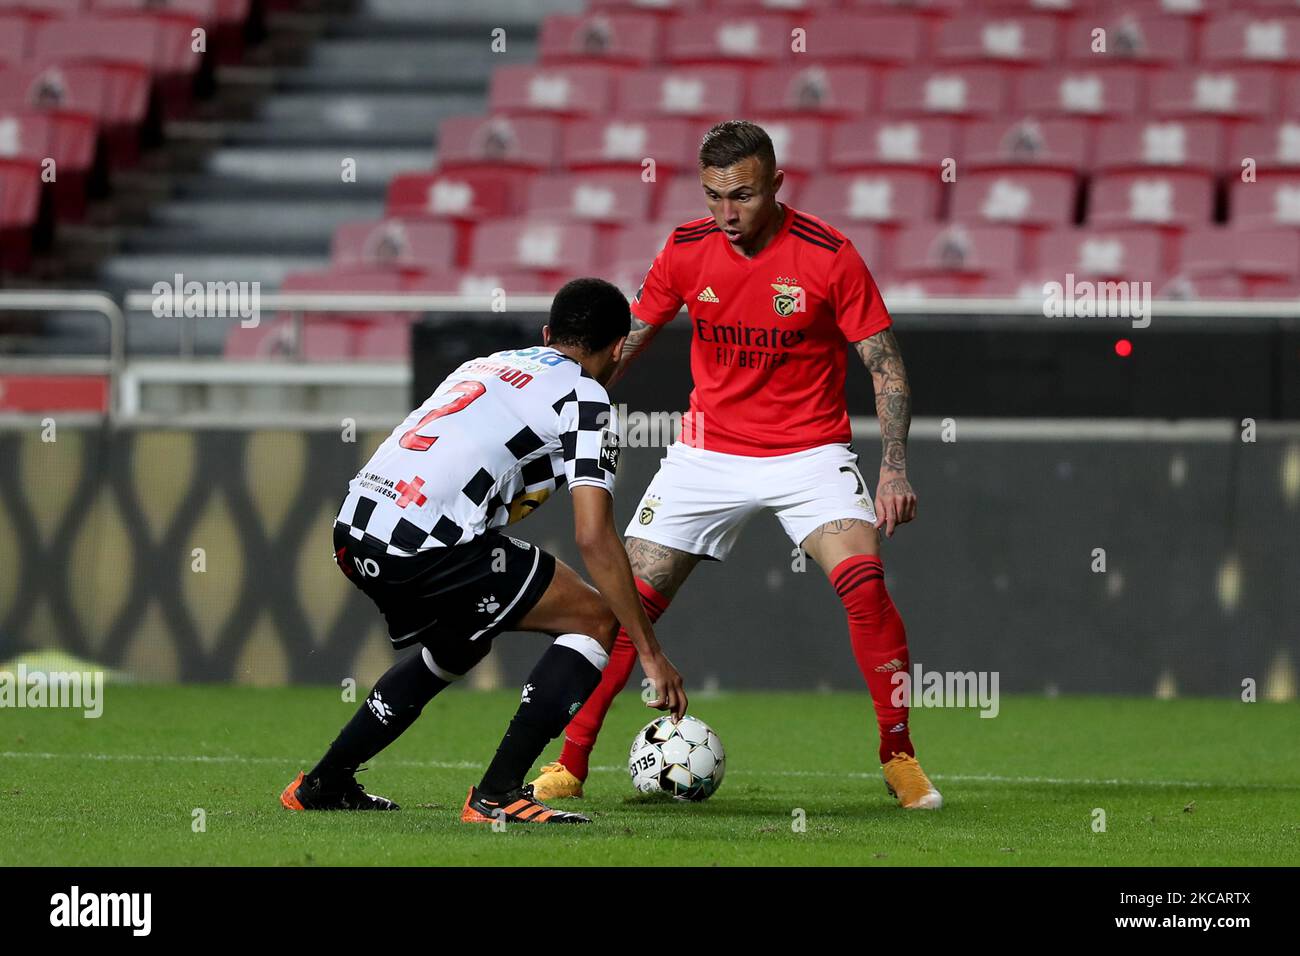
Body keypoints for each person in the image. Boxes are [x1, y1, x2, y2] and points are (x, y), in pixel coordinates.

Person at [531, 121, 941, 810]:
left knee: (865, 585)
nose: (726, 212)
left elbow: (884, 361)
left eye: (743, 196)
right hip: (705, 454)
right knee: (620, 610)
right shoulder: (687, 250)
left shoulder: (829, 255)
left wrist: (894, 464)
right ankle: (569, 763)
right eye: (714, 195)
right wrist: (557, 412)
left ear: (777, 186)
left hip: (809, 452)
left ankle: (898, 755)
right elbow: (622, 346)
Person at [280, 277, 687, 824]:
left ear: (547, 334)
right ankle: (497, 794)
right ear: (619, 347)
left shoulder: (487, 363)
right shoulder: (587, 399)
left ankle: (323, 784)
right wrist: (651, 652)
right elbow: (594, 536)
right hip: (425, 543)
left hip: (355, 530)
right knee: (594, 620)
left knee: (456, 649)